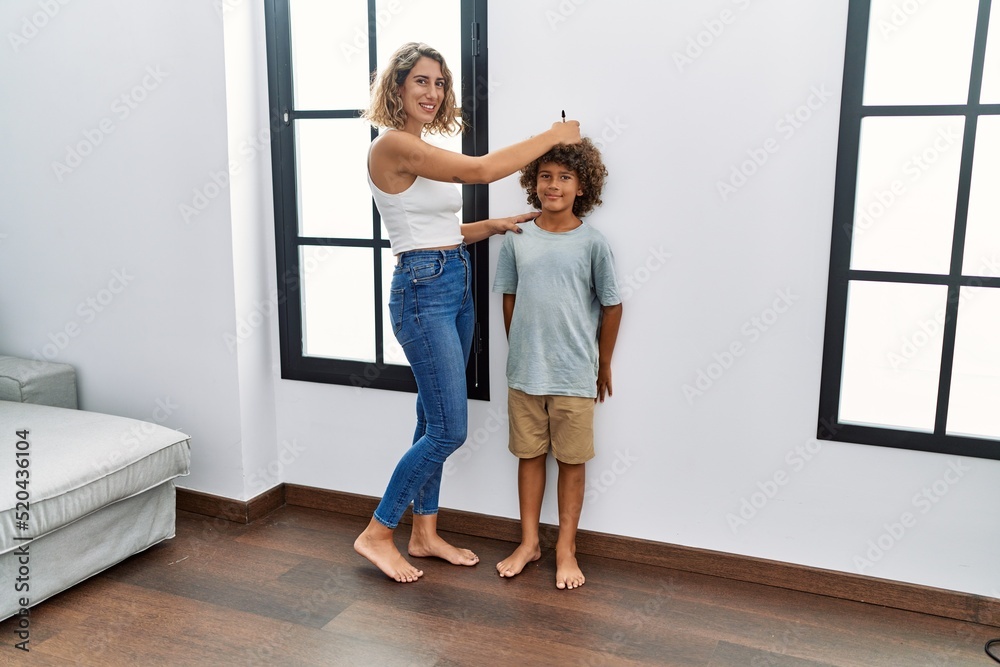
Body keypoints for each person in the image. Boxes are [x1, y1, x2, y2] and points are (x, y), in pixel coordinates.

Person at [354, 42, 582, 583]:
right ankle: (378, 532)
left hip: (453, 278)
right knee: (448, 430)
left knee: (429, 421)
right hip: (422, 292)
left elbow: (434, 230)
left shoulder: (420, 147)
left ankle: (424, 532)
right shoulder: (391, 145)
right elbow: (479, 171)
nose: (433, 92)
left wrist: (489, 227)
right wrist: (553, 136)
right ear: (397, 87)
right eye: (421, 81)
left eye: (439, 83)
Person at [492, 138, 622, 590]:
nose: (554, 185)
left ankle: (566, 548)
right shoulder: (517, 238)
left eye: (565, 177)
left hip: (574, 374)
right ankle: (529, 543)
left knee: (571, 461)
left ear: (582, 186)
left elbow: (612, 305)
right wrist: (519, 349)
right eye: (545, 176)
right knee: (529, 456)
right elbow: (509, 298)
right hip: (525, 374)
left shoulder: (593, 244)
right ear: (534, 182)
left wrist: (604, 364)